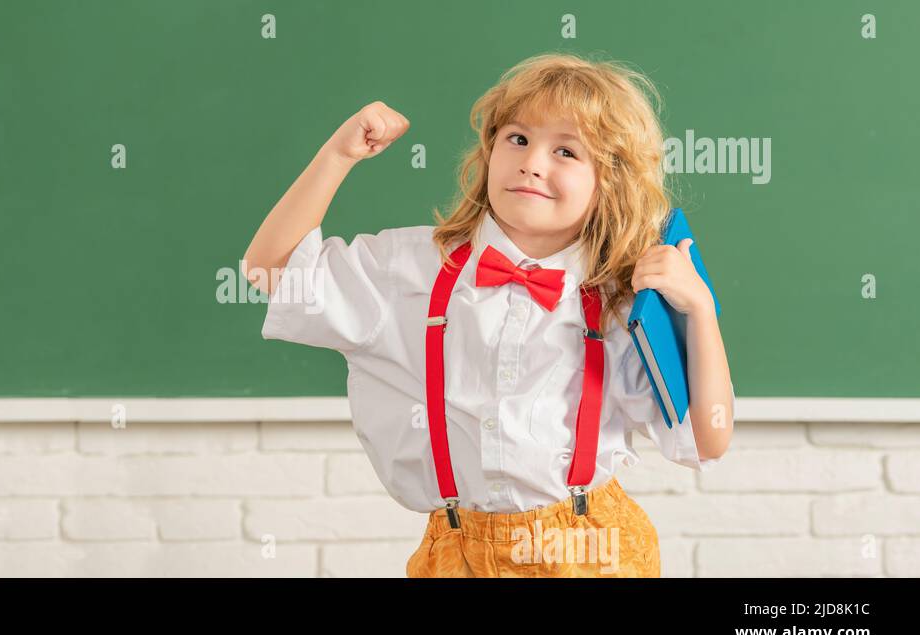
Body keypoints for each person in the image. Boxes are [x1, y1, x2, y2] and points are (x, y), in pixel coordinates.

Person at [243, 53, 734, 577]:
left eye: (566, 150)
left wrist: (700, 309)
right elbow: (269, 272)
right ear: (490, 150)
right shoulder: (408, 269)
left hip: (595, 553)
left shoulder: (623, 297)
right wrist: (337, 155)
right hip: (457, 554)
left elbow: (708, 438)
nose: (532, 163)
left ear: (608, 181)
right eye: (517, 139)